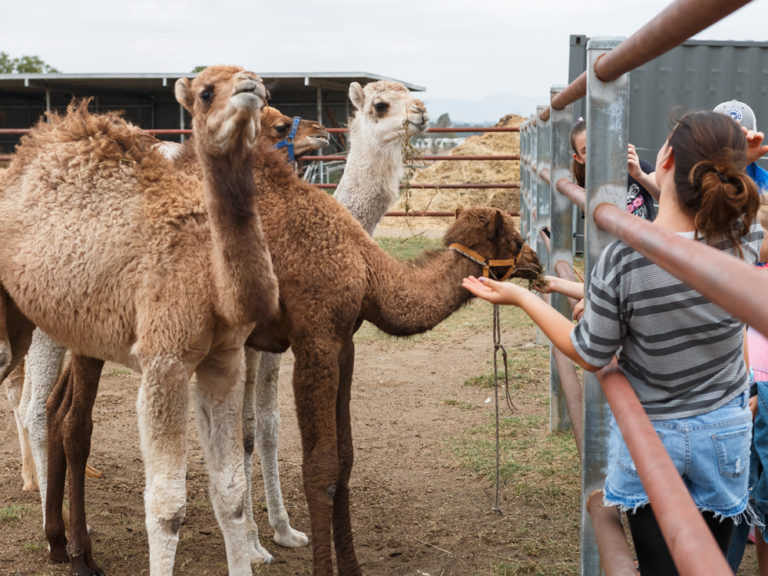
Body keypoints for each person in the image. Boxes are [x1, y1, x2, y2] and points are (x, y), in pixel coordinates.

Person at [464, 110, 763, 575]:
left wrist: (523, 297)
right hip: (723, 432)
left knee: (660, 565)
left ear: (664, 161)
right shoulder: (742, 243)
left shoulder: (623, 257)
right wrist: (746, 161)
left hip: (653, 437)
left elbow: (589, 351)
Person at [569, 118, 658, 220]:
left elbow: (664, 197)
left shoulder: (639, 167)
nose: (595, 153)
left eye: (597, 144)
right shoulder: (590, 188)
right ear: (579, 158)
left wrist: (640, 176)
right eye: (585, 151)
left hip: (646, 235)